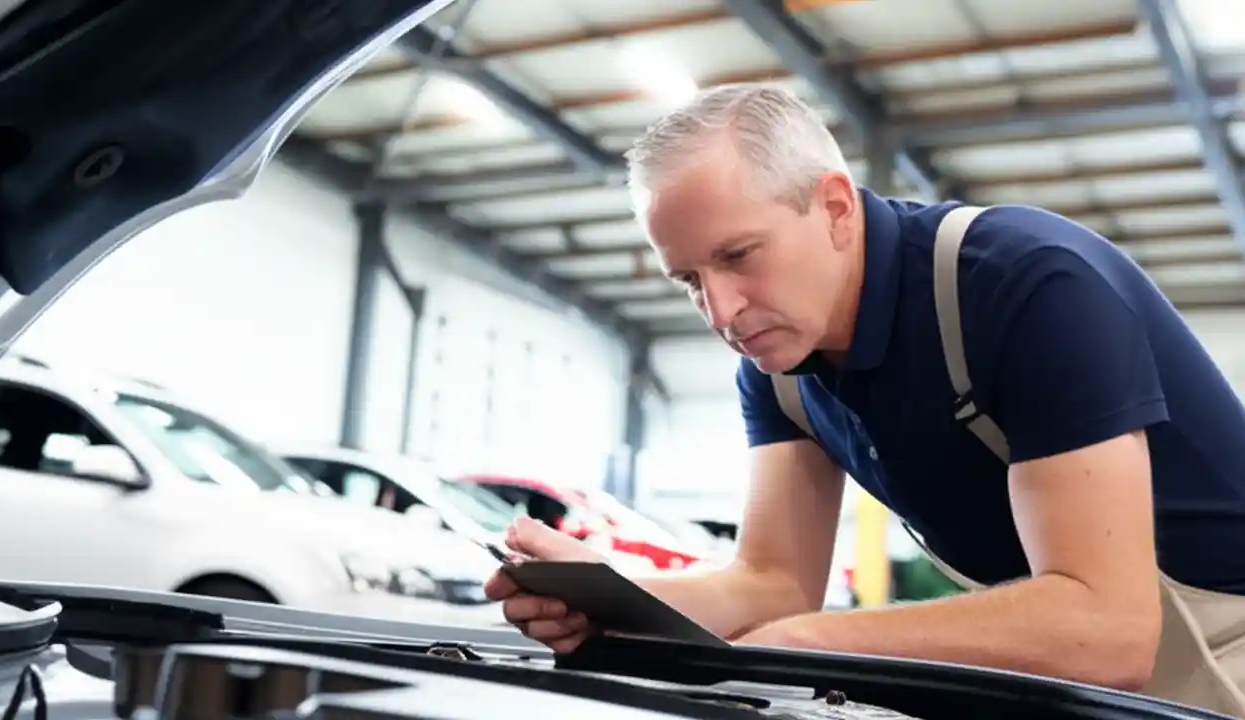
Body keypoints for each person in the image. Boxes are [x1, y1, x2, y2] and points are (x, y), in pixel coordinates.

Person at [483, 82, 1245, 716]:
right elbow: (771, 582)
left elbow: (1108, 629)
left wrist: (803, 641)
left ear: (837, 208)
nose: (720, 311)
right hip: (1074, 671)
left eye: (738, 256)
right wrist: (615, 603)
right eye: (689, 280)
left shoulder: (1024, 284)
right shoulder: (780, 368)